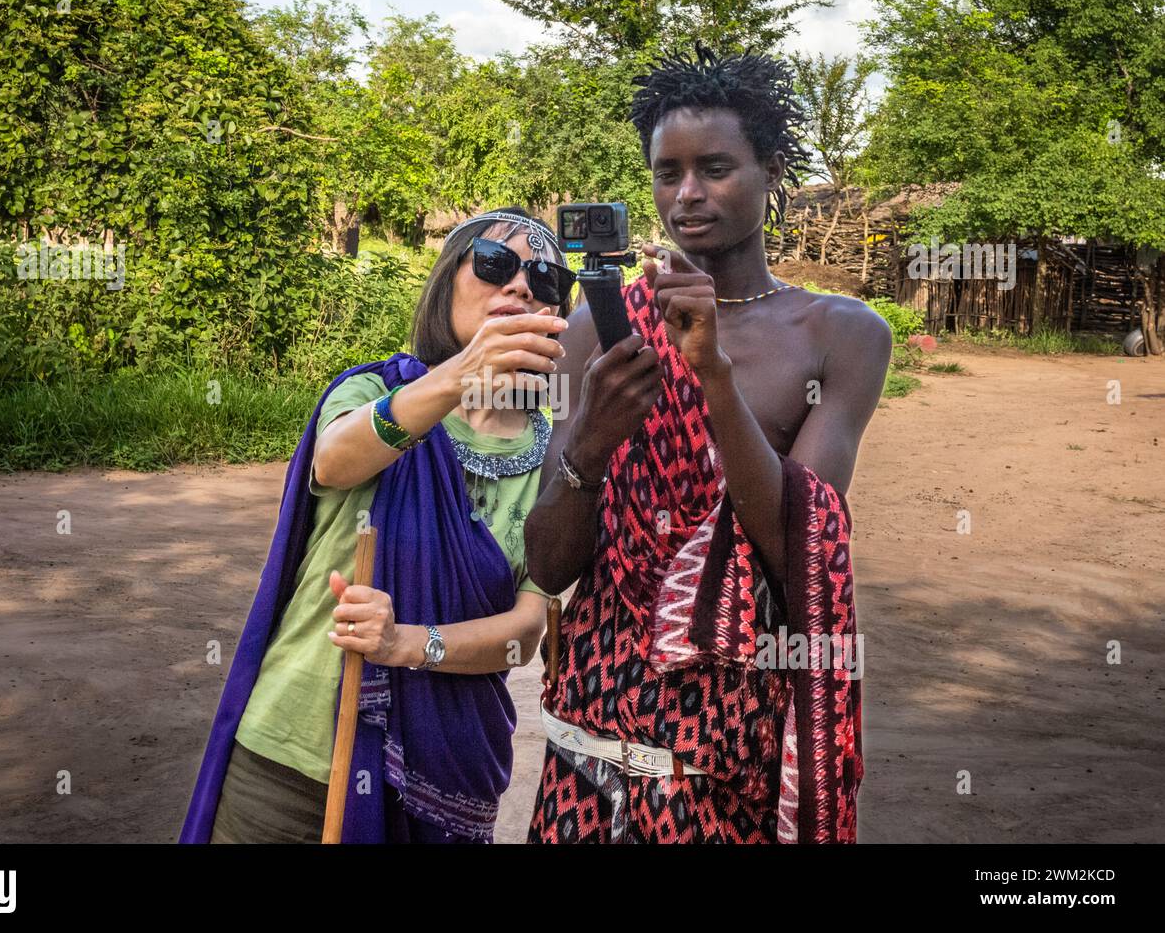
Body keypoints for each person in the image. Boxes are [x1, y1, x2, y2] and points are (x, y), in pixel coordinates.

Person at [524, 45, 892, 843]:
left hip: (728, 759)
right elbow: (549, 567)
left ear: (771, 168)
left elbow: (800, 546)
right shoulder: (600, 327)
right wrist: (589, 444)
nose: (687, 194)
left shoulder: (839, 336)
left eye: (716, 167)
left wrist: (712, 375)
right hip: (590, 745)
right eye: (668, 172)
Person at [179, 207, 575, 843]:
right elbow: (335, 459)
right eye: (497, 264)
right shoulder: (372, 391)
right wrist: (460, 377)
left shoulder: (554, 457)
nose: (521, 286)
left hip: (440, 776)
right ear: (447, 278)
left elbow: (525, 635)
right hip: (293, 758)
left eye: (546, 279)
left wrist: (407, 645)